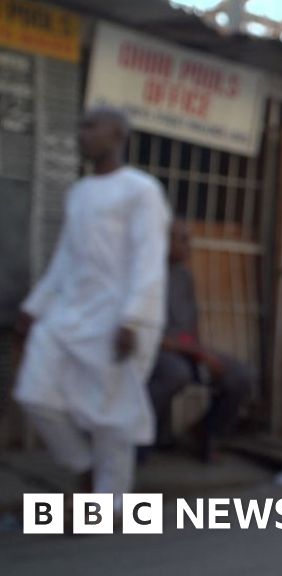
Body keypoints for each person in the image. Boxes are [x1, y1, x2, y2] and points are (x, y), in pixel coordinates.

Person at [14, 107, 170, 512]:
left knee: (112, 416)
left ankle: (108, 506)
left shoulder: (141, 189)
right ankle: (82, 465)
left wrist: (134, 317)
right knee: (35, 393)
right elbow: (66, 257)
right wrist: (35, 308)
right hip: (71, 313)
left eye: (90, 126)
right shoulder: (79, 192)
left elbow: (148, 258)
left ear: (116, 134)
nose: (81, 134)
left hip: (119, 317)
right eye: (80, 125)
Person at [147, 221, 255, 462]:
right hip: (154, 350)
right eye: (182, 240)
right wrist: (195, 353)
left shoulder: (184, 276)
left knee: (240, 375)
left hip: (186, 349)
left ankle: (206, 434)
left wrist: (201, 354)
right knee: (176, 373)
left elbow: (189, 326)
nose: (189, 246)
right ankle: (139, 444)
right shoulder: (145, 276)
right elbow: (149, 333)